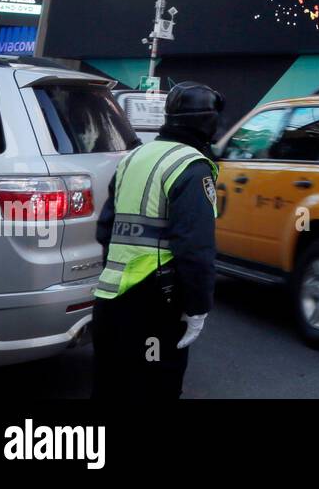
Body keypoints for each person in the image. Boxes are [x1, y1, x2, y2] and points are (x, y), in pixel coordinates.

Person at [91, 82, 225, 400]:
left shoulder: (135, 158)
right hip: (156, 302)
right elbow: (194, 248)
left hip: (110, 297)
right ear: (208, 121)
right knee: (156, 387)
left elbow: (105, 230)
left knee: (109, 386)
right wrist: (197, 308)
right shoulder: (191, 167)